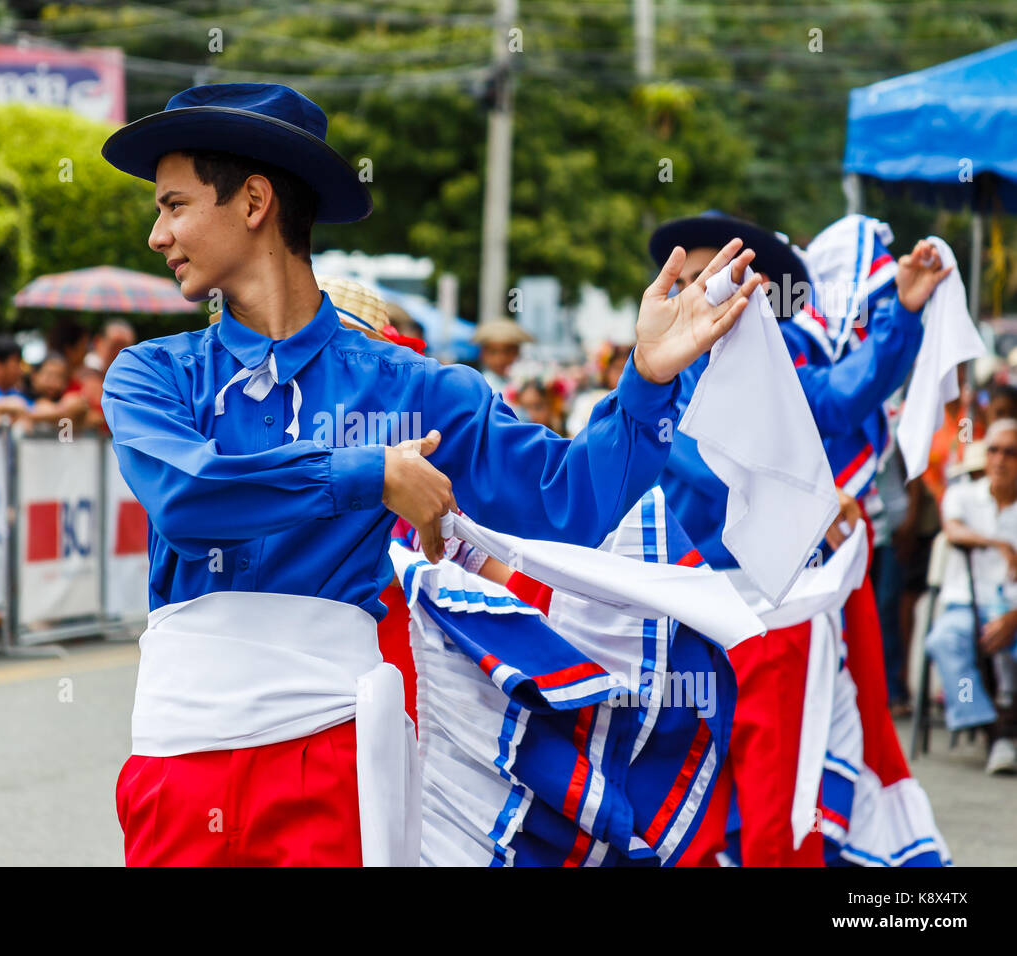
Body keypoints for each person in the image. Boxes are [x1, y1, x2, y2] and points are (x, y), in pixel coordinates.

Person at [100, 82, 761, 867]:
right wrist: (369, 472)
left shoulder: (414, 390)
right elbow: (188, 496)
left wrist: (647, 380)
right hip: (180, 757)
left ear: (253, 202)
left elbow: (571, 503)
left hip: (330, 756)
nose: (156, 234)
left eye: (173, 205)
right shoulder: (151, 375)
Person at [650, 212, 952, 867]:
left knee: (771, 794)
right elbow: (689, 461)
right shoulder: (653, 373)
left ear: (757, 291)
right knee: (675, 796)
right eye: (695, 275)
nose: (710, 287)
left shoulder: (779, 364)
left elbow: (844, 399)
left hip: (771, 617)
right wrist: (805, 493)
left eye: (730, 274)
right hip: (666, 616)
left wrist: (900, 311)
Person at [925, 419, 1017, 775]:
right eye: (993, 450)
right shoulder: (963, 494)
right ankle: (990, 727)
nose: (1000, 459)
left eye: (1011, 452)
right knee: (946, 641)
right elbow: (953, 529)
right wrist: (997, 544)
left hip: (1011, 610)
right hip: (967, 605)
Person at [471, 316, 533, 394]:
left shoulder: (529, 385)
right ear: (483, 354)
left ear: (517, 352)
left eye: (507, 352)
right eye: (493, 352)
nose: (500, 359)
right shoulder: (478, 387)